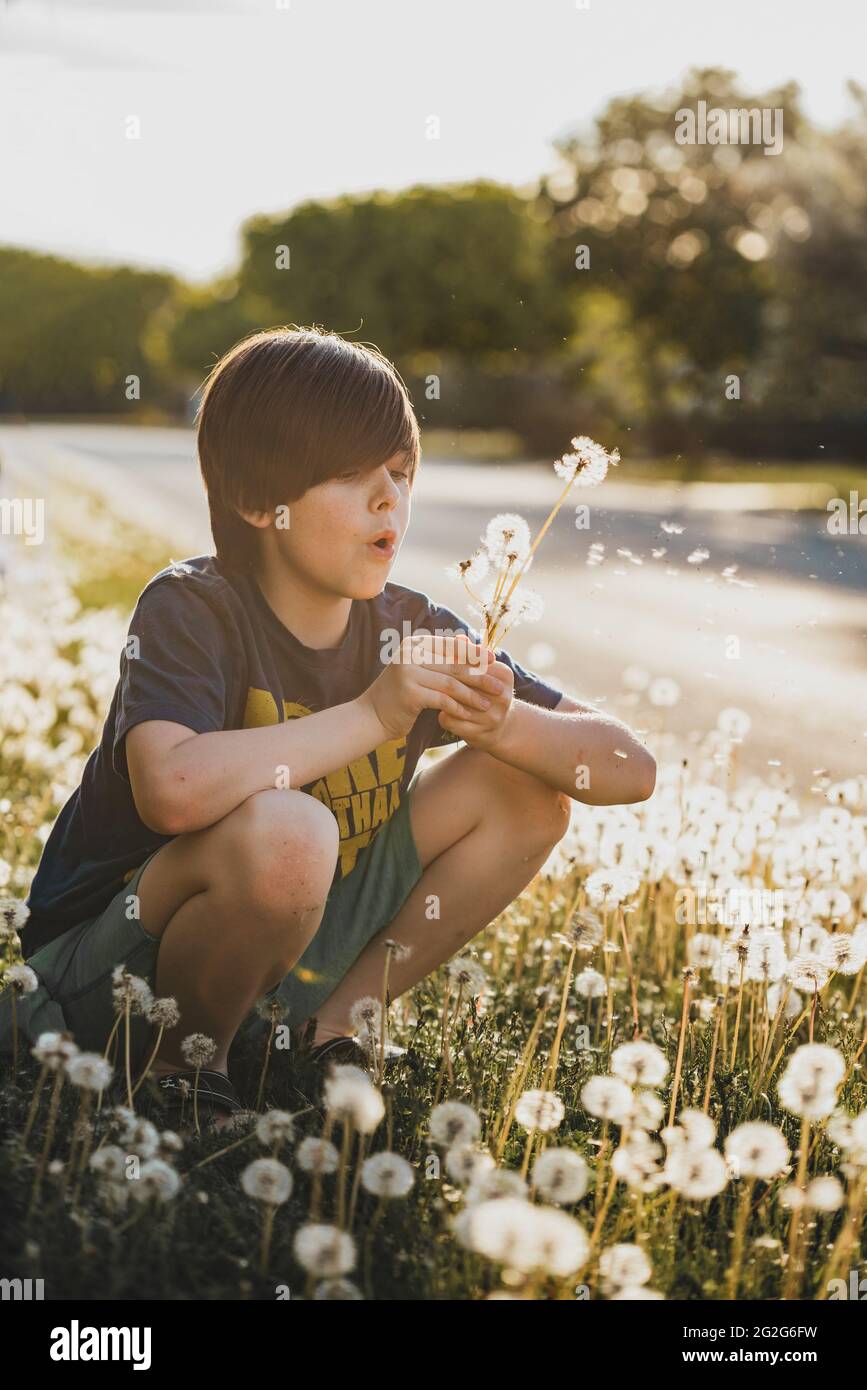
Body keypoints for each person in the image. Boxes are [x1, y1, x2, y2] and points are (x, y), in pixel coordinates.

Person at [1, 326, 655, 1126]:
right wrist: (374, 713)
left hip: (287, 942)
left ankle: (333, 1025)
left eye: (401, 472)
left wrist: (499, 724)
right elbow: (171, 791)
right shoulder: (193, 609)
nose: (390, 499)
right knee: (289, 830)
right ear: (256, 501)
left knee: (527, 781)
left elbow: (628, 769)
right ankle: (177, 1070)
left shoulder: (410, 626)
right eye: (353, 475)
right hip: (111, 964)